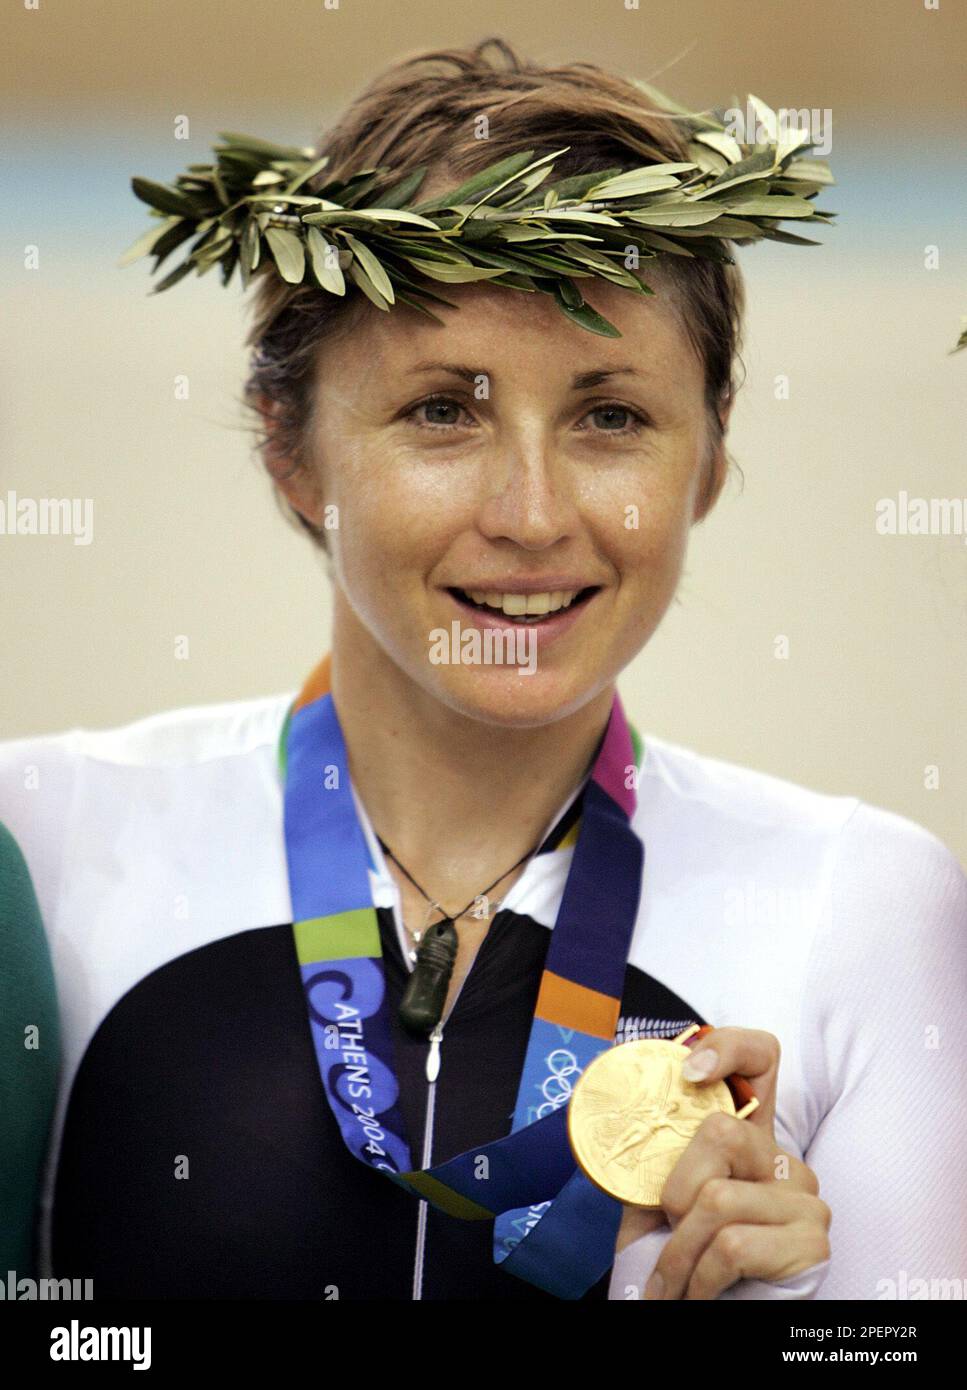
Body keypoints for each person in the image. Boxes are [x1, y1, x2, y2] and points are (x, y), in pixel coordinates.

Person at [1, 37, 965, 1302]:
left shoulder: (870, 907)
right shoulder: (43, 838)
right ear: (290, 450)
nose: (529, 512)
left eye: (609, 415)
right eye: (442, 411)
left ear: (710, 459)